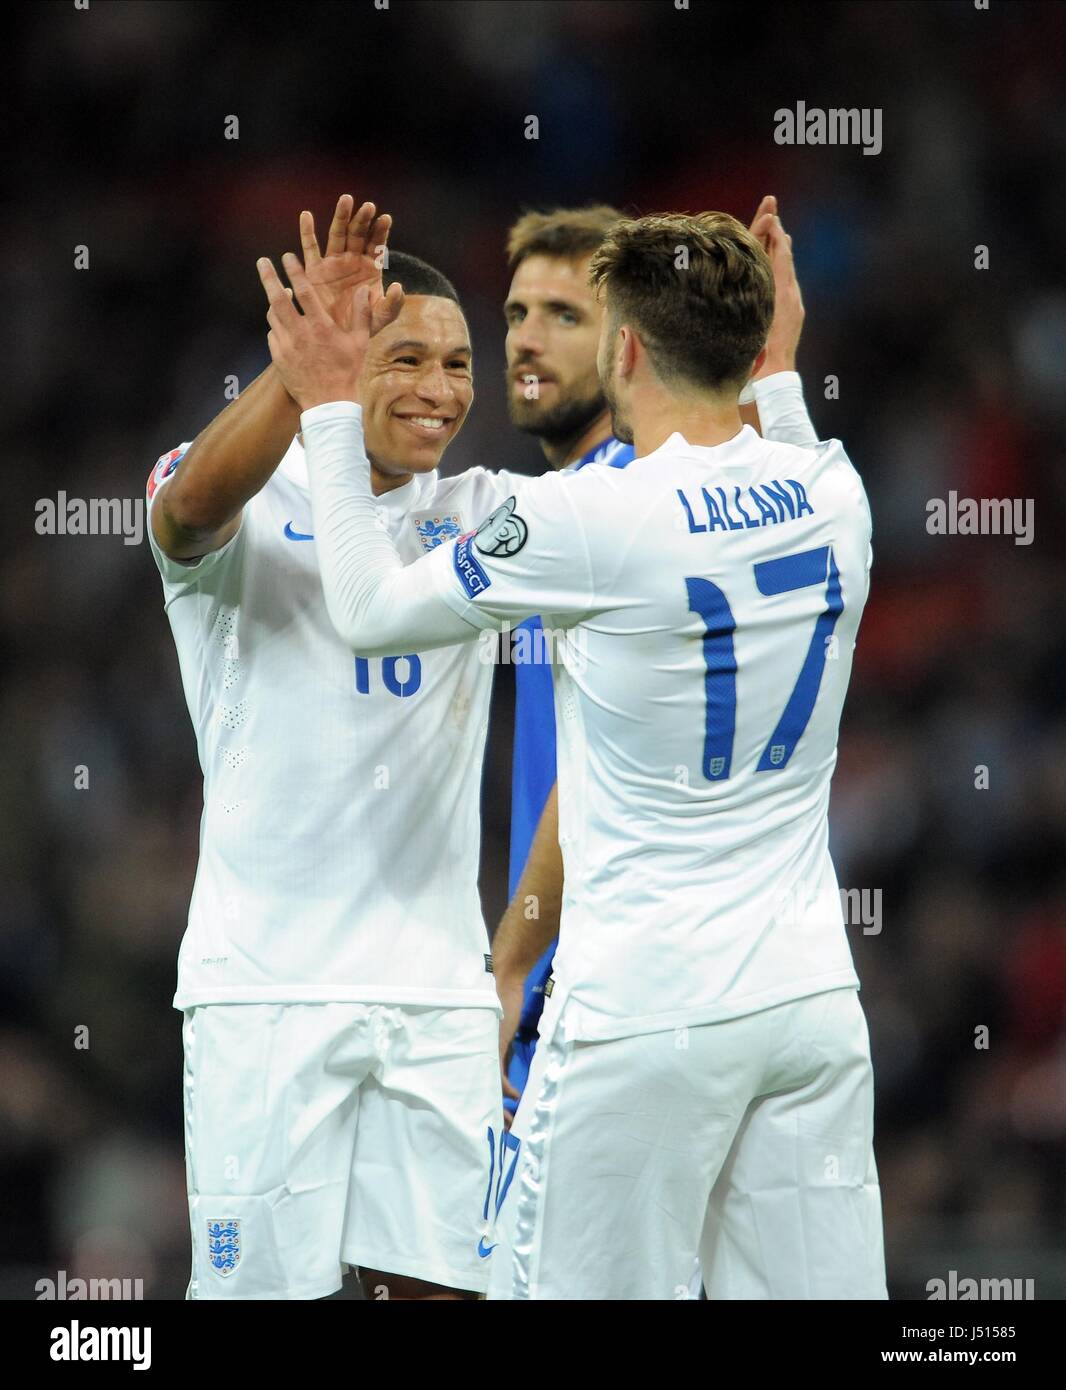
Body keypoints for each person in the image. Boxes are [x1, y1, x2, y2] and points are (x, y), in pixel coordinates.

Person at [257, 208, 886, 1300]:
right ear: (750, 351)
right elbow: (781, 428)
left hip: (646, 1017)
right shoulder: (835, 496)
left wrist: (322, 409)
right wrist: (777, 364)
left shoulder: (592, 518)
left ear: (626, 349)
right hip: (810, 1007)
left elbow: (365, 608)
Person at [148, 197, 534, 1300]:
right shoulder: (247, 495)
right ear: (336, 359)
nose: (443, 388)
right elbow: (182, 518)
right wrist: (299, 380)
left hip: (437, 995)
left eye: (461, 363)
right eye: (404, 355)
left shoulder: (481, 510)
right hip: (270, 991)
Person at [494, 199, 814, 1135]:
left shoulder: (597, 521)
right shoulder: (726, 506)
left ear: (628, 344)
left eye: (566, 316)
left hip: (601, 992)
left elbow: (586, 777)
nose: (529, 340)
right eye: (516, 312)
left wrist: (514, 966)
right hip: (744, 982)